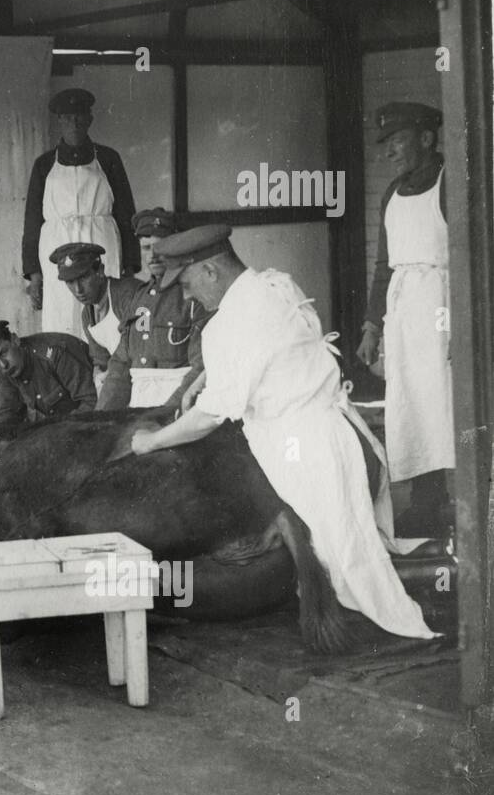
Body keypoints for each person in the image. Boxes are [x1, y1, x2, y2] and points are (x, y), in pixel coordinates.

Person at [128, 225, 435, 641]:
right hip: (343, 429)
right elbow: (277, 351)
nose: (186, 297)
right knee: (364, 543)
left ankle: (425, 583)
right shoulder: (275, 283)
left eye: (186, 283)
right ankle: (424, 560)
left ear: (211, 271)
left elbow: (209, 418)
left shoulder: (226, 327)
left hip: (301, 446)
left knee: (345, 568)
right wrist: (206, 378)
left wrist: (151, 442)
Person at [356, 102, 453, 537]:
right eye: (387, 143)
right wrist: (372, 326)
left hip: (444, 305)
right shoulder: (391, 194)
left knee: (447, 402)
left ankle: (463, 499)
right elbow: (383, 267)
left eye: (397, 141)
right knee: (411, 404)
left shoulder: (451, 184)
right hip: (403, 310)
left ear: (426, 139)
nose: (390, 152)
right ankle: (427, 502)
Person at [22, 88, 137, 338]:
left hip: (101, 240)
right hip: (57, 246)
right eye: (67, 117)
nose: (74, 122)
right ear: (59, 121)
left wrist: (130, 264)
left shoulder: (108, 158)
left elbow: (126, 212)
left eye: (79, 116)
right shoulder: (44, 164)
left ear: (89, 120)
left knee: (105, 310)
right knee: (63, 315)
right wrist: (34, 276)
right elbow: (32, 221)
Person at [96, 208, 208, 410]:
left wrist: (167, 413)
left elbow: (202, 367)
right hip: (138, 404)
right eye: (146, 248)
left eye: (160, 247)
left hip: (178, 407)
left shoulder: (193, 295)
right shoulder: (139, 298)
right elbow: (121, 363)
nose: (152, 256)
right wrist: (101, 417)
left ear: (176, 247)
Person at [0, 319, 96, 428]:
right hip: (60, 433)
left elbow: (92, 402)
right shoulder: (8, 370)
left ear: (15, 340)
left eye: (3, 352)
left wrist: (54, 435)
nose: (2, 365)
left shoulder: (56, 354)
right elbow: (5, 416)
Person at [48, 241, 136, 393]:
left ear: (100, 271)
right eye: (70, 282)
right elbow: (100, 359)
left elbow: (136, 349)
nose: (78, 290)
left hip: (144, 377)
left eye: (83, 278)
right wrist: (99, 375)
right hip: (120, 381)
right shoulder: (88, 315)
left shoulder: (127, 295)